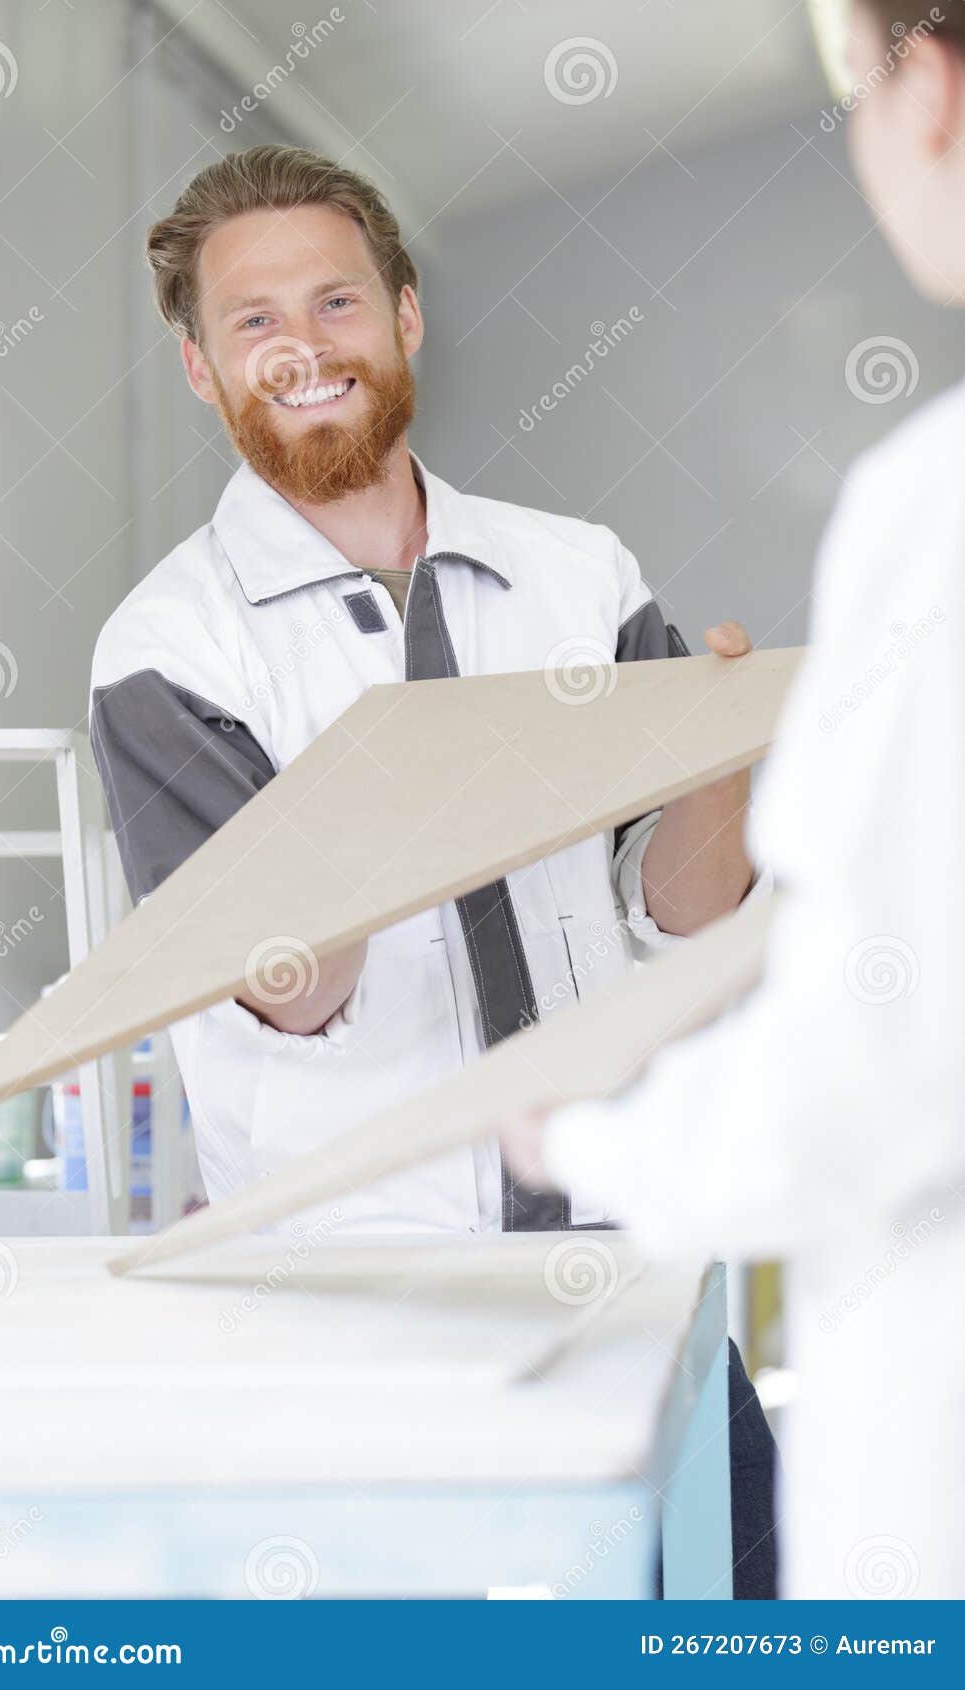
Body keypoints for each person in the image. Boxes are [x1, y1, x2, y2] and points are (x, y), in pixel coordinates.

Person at [89, 143, 777, 1595]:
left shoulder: (578, 577)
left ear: (406, 317)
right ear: (203, 371)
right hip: (356, 1313)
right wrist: (397, 771)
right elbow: (289, 984)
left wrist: (719, 765)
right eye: (253, 323)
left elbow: (676, 914)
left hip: (632, 1267)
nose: (301, 349)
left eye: (334, 303)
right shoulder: (170, 651)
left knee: (732, 1619)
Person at [500, 0, 965, 1601]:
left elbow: (868, 1068)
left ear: (936, 95)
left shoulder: (937, 507)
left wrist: (599, 1136)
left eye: (859, 80)